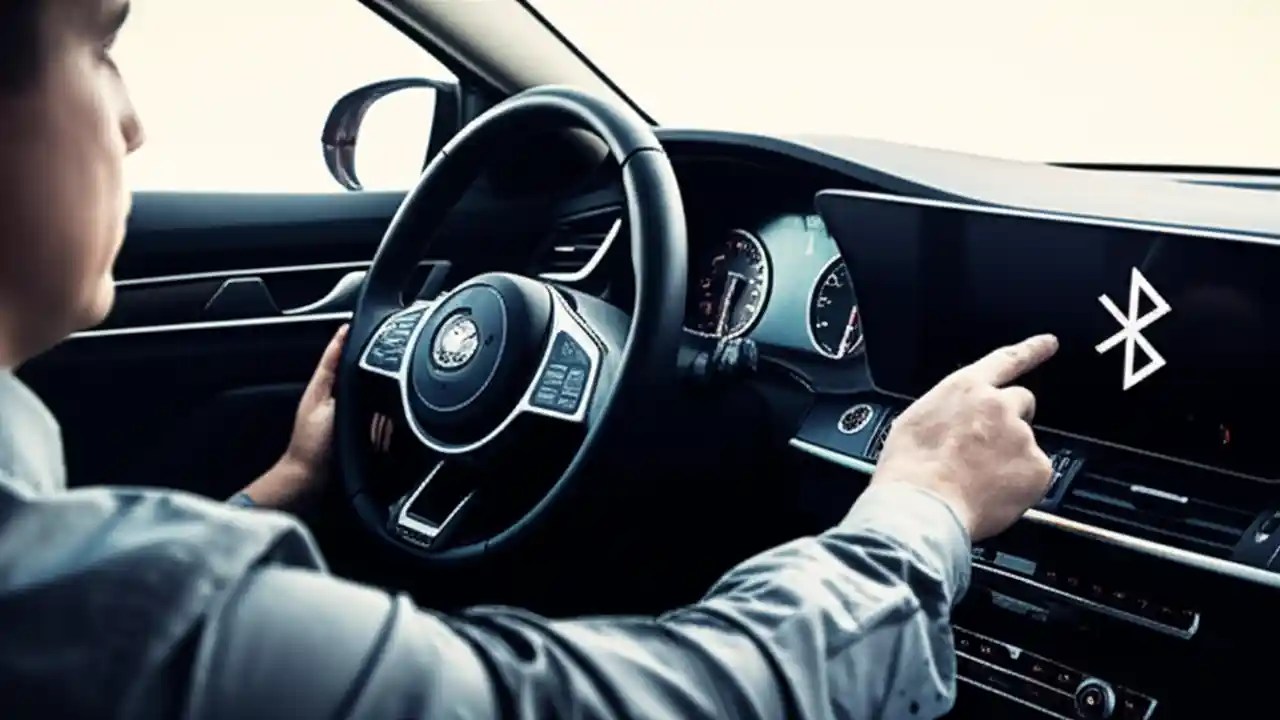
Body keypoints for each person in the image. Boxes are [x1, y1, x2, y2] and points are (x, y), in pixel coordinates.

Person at [0, 0, 1059, 718]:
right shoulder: (109, 618)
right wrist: (920, 505)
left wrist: (287, 486)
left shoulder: (72, 587)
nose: (132, 124)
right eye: (100, 49)